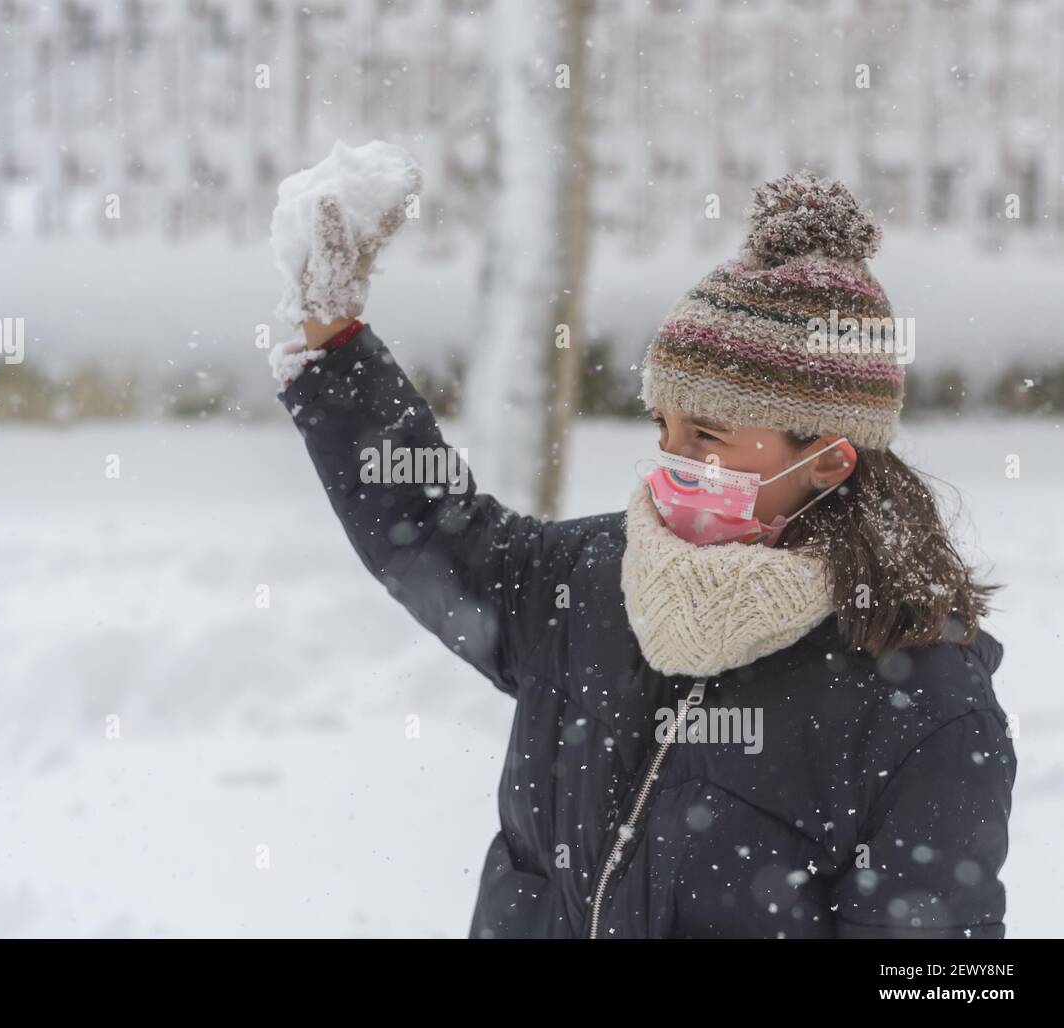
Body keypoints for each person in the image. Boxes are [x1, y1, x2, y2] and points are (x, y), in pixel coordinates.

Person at [267, 143, 1015, 939]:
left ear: (830, 462)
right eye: (665, 426)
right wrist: (331, 333)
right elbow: (424, 530)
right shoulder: (590, 582)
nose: (674, 461)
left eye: (709, 434)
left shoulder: (920, 703)